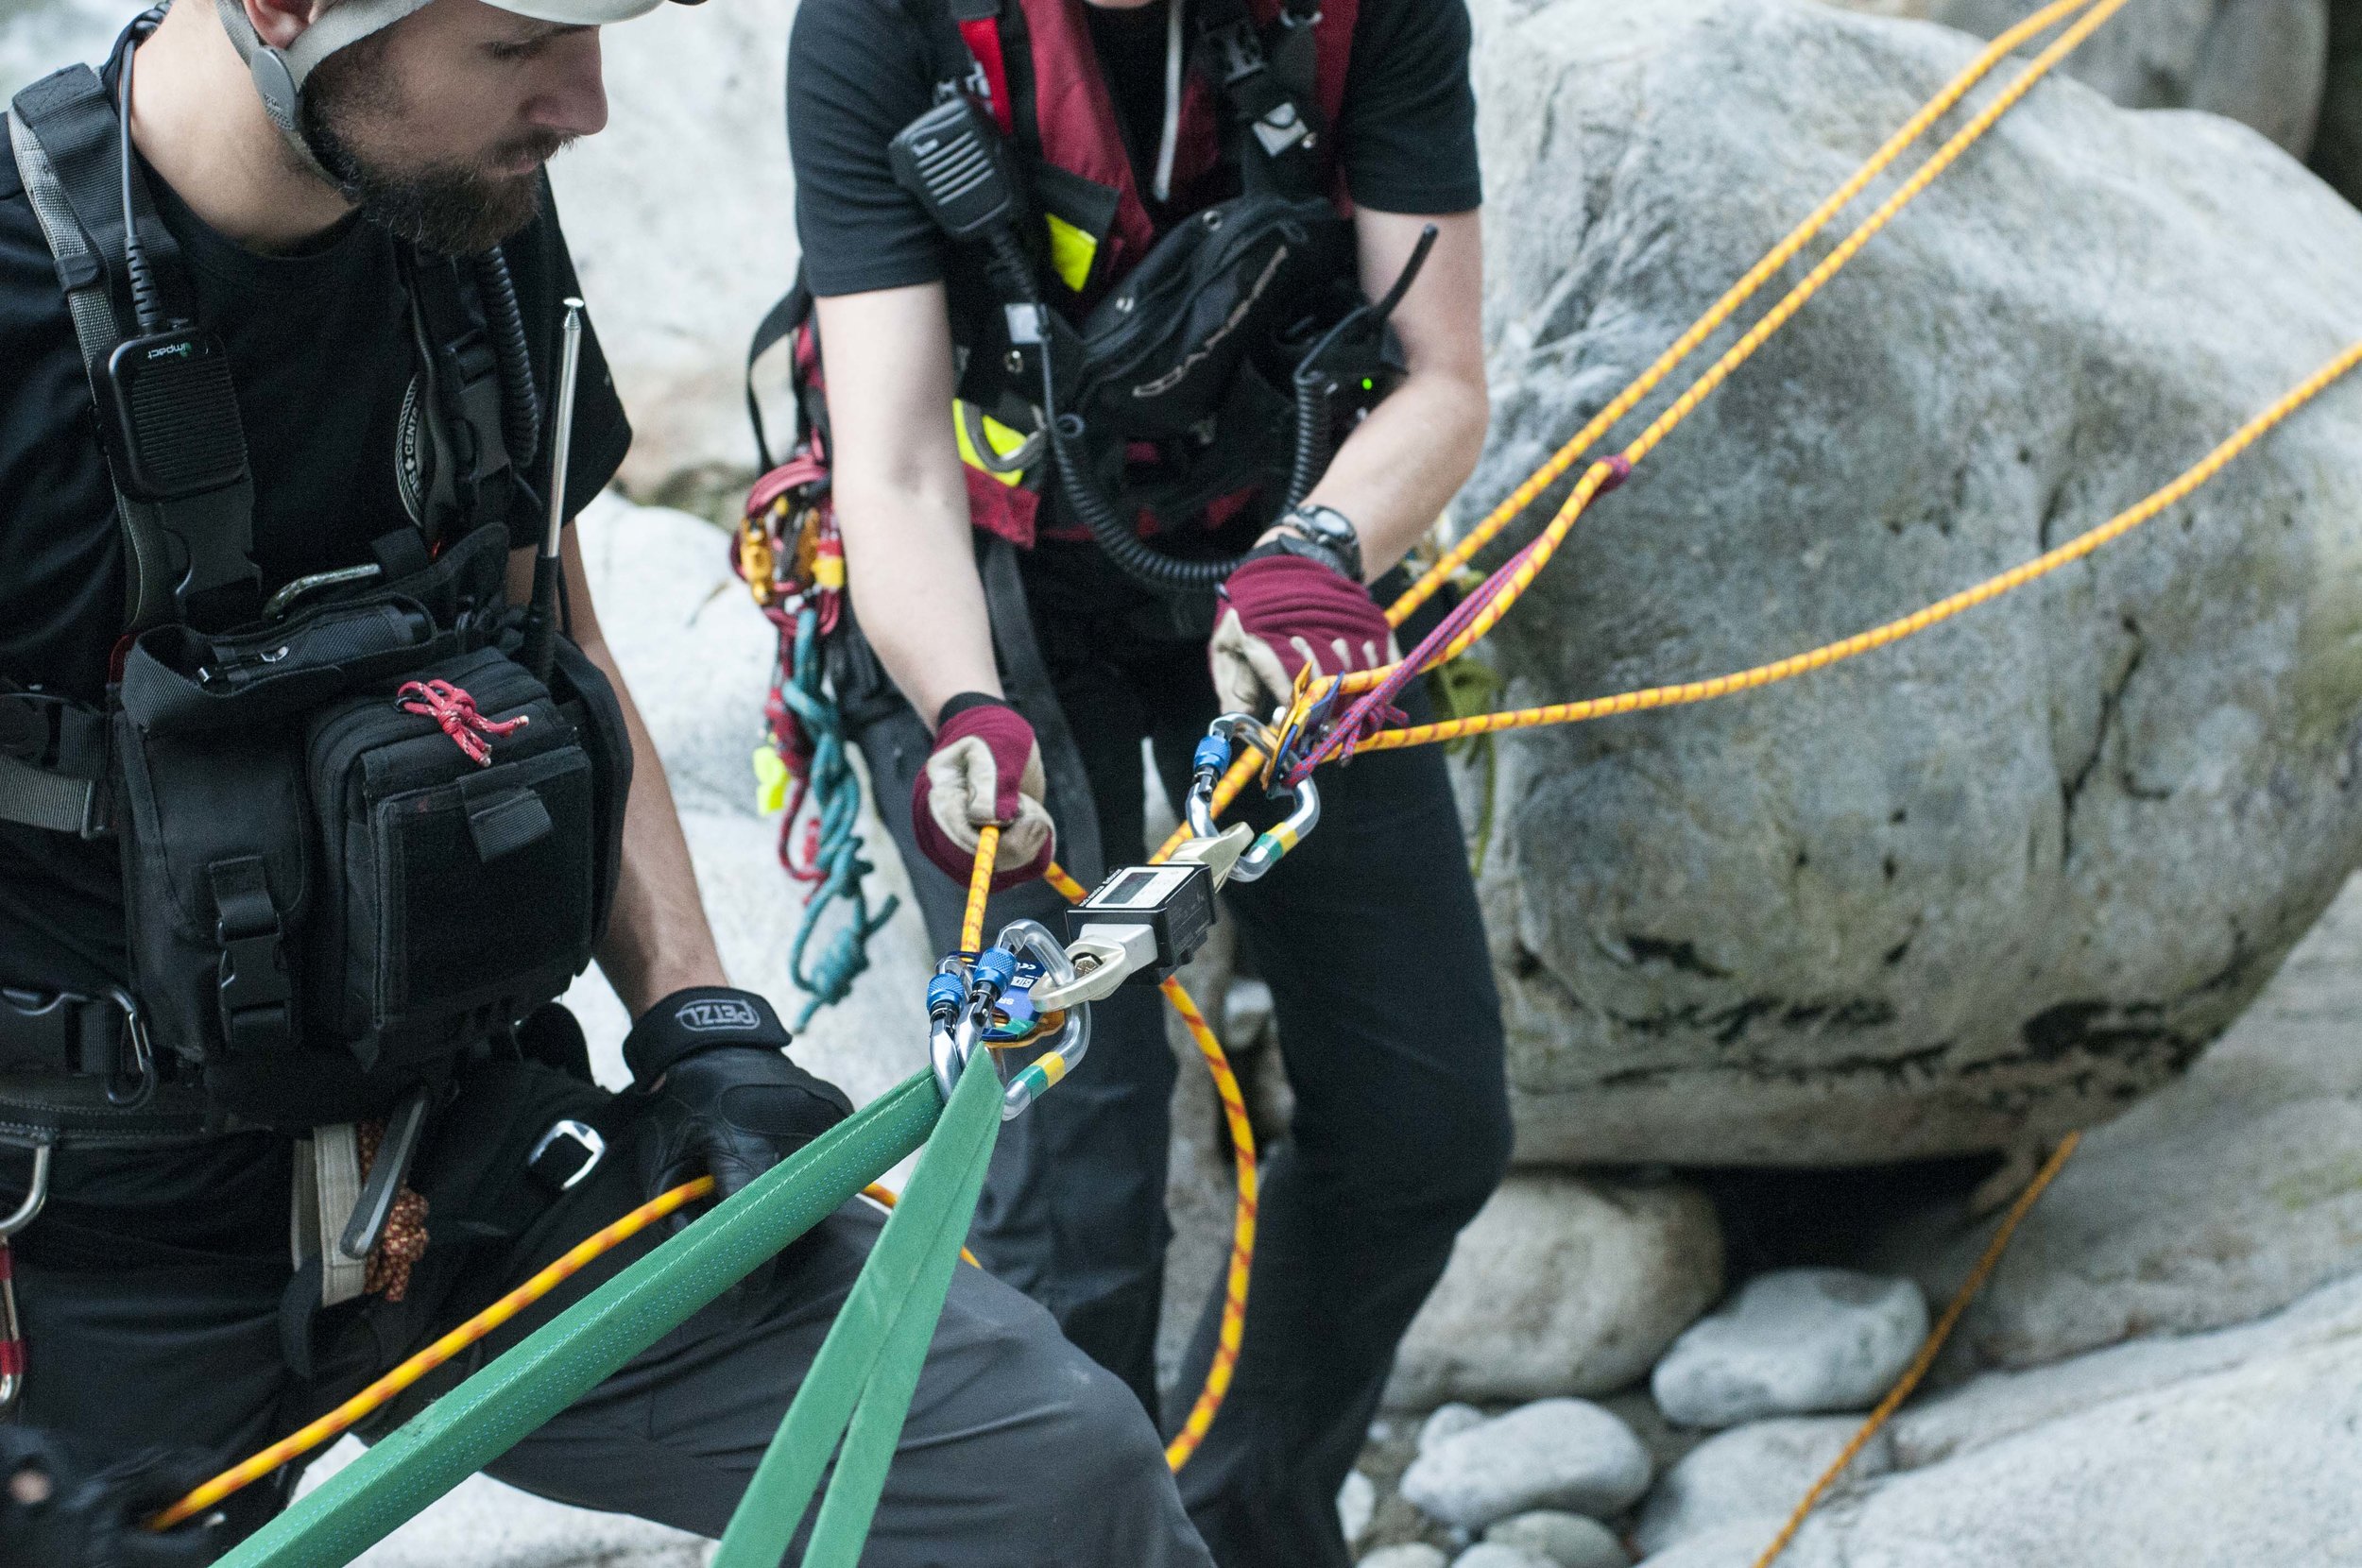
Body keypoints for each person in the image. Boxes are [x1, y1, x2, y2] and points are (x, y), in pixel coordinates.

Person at [0, 0, 1213, 1562]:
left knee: (1049, 1474)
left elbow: (552, 631)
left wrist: (700, 1023)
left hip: (463, 1157)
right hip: (93, 1250)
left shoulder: (460, 212)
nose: (588, 103)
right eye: (519, 45)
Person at [781, 0, 1515, 1555]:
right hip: (975, 583)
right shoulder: (878, 28)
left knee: (1424, 1118)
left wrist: (1319, 552)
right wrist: (966, 708)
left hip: (1278, 547)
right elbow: (897, 464)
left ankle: (1240, 1516)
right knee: (1075, 1191)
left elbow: (1441, 374)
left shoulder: (1363, 17)